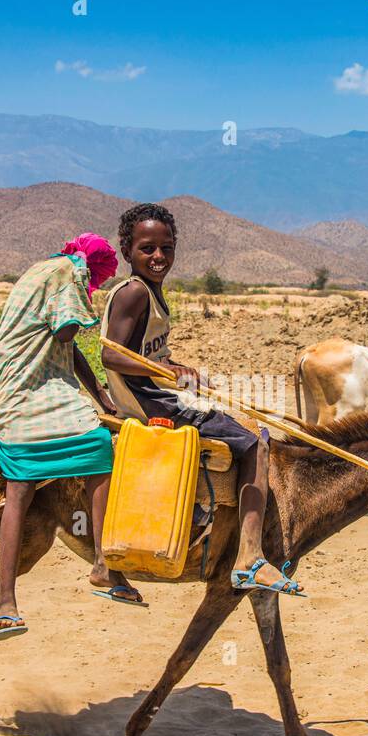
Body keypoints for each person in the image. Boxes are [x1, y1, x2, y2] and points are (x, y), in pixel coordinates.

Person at [101, 203, 303, 596]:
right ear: (127, 251)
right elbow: (111, 354)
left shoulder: (151, 293)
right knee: (254, 444)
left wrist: (178, 367)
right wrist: (168, 375)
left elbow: (146, 355)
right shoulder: (134, 294)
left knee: (241, 420)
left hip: (158, 392)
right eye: (147, 249)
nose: (158, 257)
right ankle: (248, 557)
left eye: (167, 248)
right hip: (151, 403)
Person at [0, 233, 141, 640]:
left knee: (21, 489)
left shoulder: (40, 271)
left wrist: (100, 394)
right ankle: (103, 563)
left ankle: (7, 603)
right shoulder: (64, 272)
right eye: (97, 279)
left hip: (17, 387)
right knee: (97, 445)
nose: (94, 286)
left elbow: (66, 352)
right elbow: (68, 333)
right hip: (30, 388)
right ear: (92, 265)